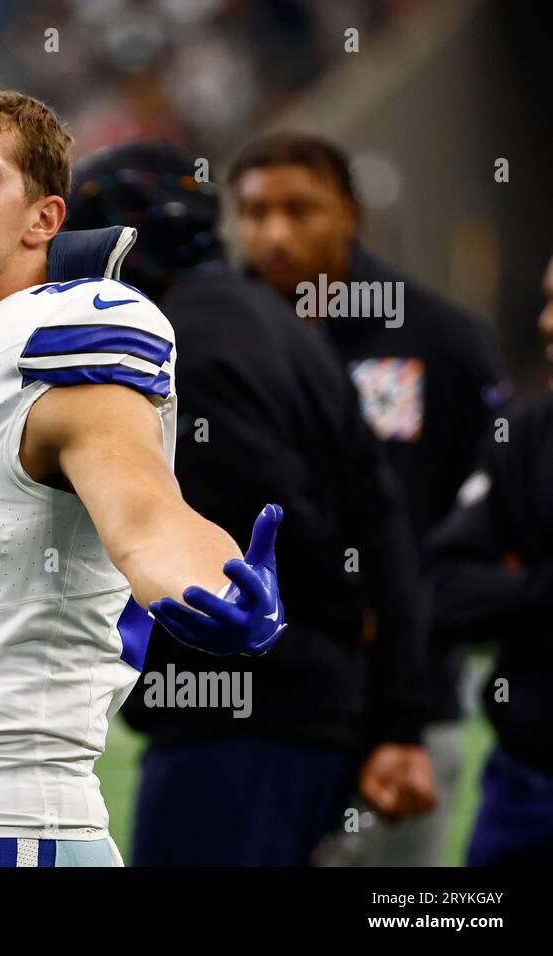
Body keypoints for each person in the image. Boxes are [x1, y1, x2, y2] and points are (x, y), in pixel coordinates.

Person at [0, 85, 285, 868]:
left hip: (10, 821)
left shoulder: (64, 343)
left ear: (44, 220)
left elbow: (147, 516)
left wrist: (212, 581)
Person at [66, 141, 433, 865]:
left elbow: (256, 537)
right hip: (297, 710)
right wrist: (390, 704)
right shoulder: (277, 324)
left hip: (245, 718)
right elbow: (380, 520)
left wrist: (315, 633)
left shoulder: (180, 344)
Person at [228, 132, 508, 865]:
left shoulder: (441, 343)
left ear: (349, 212)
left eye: (300, 209)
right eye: (255, 212)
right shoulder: (202, 344)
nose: (275, 233)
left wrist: (415, 626)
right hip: (256, 703)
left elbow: (486, 512)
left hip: (408, 702)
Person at [424, 255, 553, 866]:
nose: (548, 324)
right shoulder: (528, 436)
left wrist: (518, 581)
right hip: (524, 787)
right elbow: (444, 586)